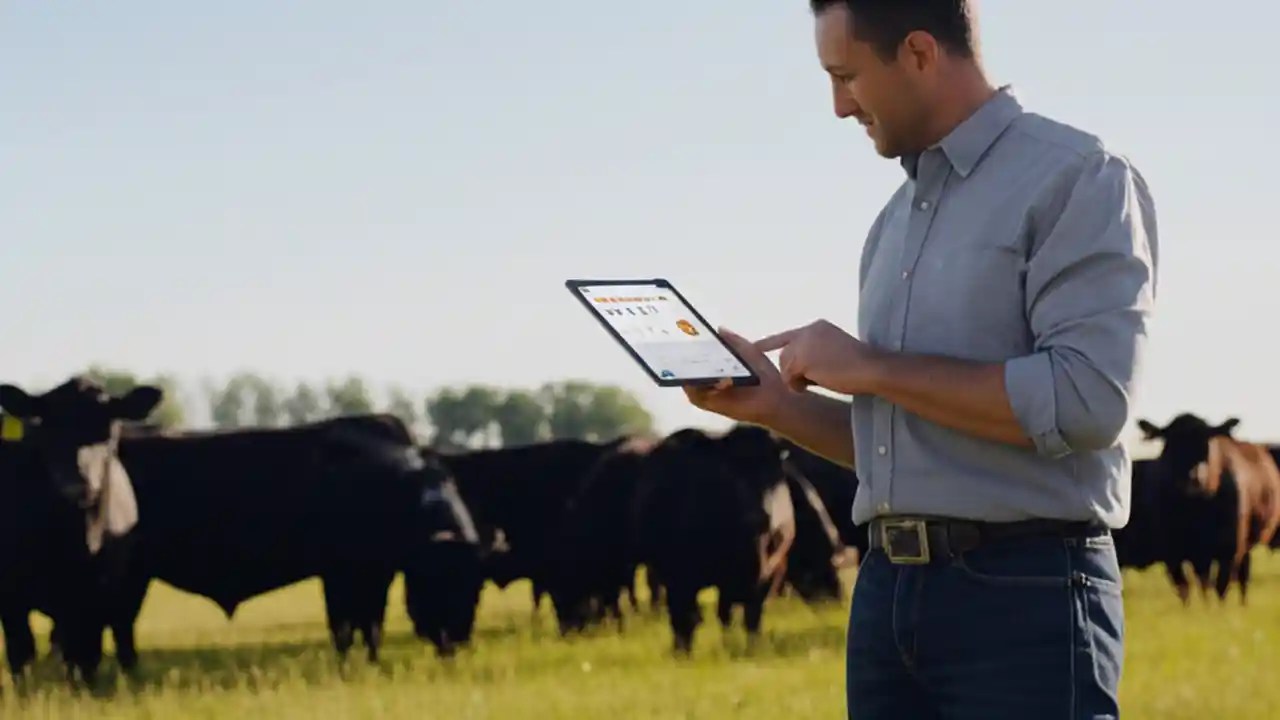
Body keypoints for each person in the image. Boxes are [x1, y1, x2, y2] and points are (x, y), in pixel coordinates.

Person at [683, 2, 1158, 718]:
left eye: (846, 76)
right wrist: (771, 406)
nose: (839, 106)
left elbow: (1087, 402)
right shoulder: (893, 223)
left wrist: (871, 367)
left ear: (918, 53)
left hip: (1024, 597)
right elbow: (901, 446)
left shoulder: (1080, 178)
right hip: (885, 595)